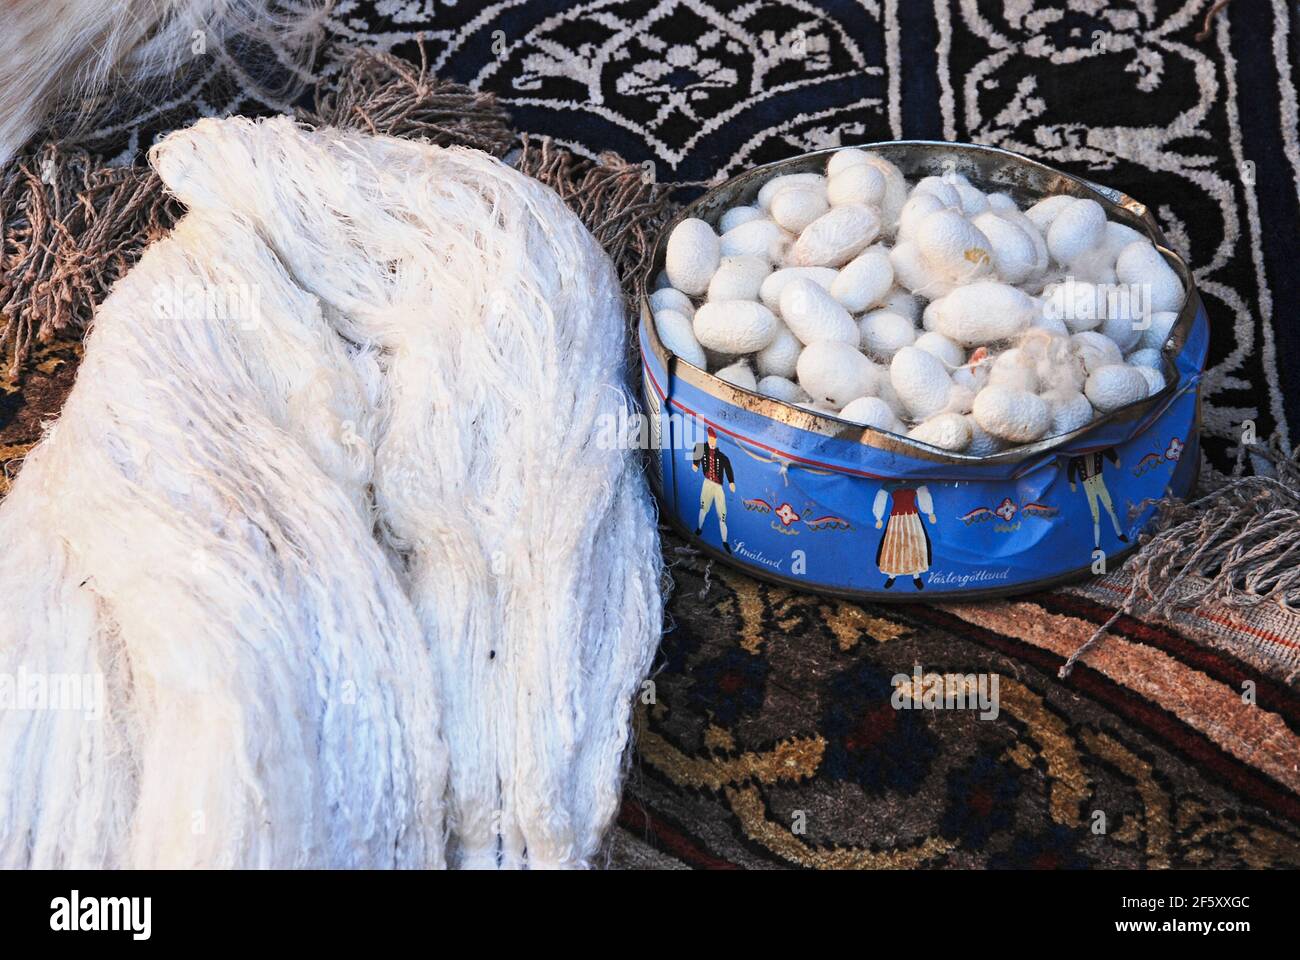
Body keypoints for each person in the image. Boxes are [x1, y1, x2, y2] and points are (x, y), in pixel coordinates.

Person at [872, 483, 936, 590]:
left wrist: (930, 512)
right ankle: (892, 575)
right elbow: (881, 498)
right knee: (895, 545)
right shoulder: (890, 484)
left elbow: (924, 495)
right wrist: (879, 517)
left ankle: (916, 576)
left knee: (914, 545)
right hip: (896, 519)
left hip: (912, 518)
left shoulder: (916, 482)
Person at [1067, 448, 1128, 549]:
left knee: (1110, 507)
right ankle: (1097, 544)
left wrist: (1114, 459)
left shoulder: (1096, 446)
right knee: (1095, 515)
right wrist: (1072, 481)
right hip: (1088, 484)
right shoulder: (1076, 452)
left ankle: (1120, 534)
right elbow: (1071, 466)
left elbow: (1105, 449)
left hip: (1099, 480)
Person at [690, 426, 736, 554]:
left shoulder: (722, 456)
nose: (712, 441)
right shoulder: (702, 447)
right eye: (711, 439)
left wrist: (731, 481)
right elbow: (697, 449)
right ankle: (699, 528)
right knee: (703, 507)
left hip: (718, 487)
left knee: (722, 515)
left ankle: (725, 541)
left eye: (714, 439)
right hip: (707, 483)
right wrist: (695, 463)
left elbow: (727, 467)